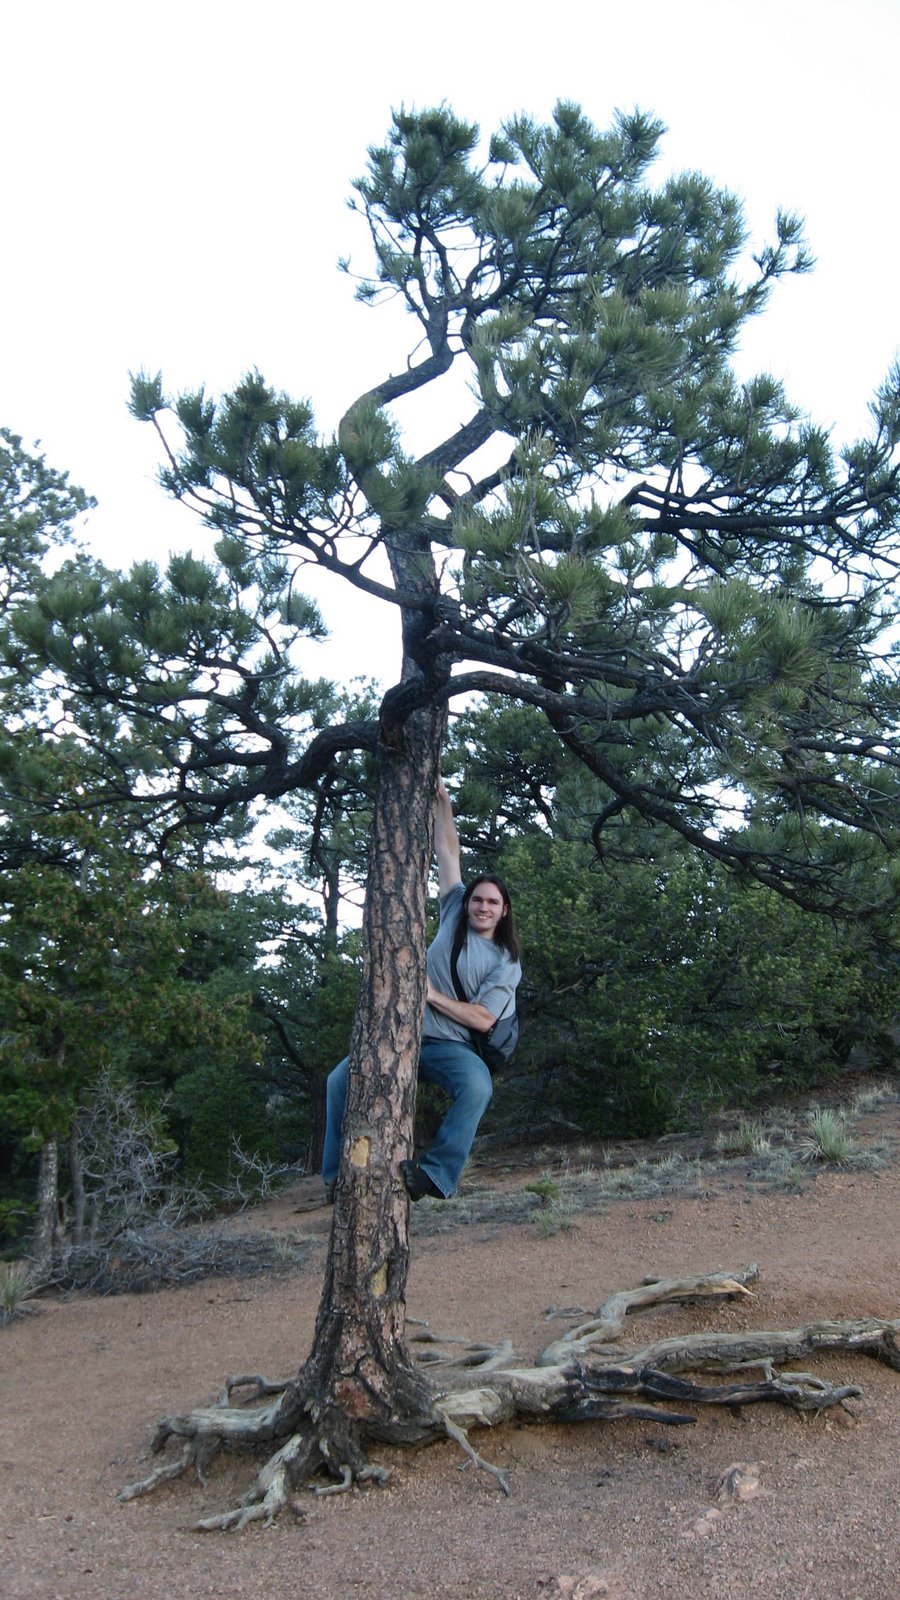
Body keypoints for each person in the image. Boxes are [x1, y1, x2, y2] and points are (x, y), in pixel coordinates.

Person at [322, 779, 521, 1202]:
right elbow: (448, 851)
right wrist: (442, 802)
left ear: (504, 912)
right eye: (478, 900)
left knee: (479, 1086)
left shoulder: (506, 960)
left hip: (450, 1047)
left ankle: (434, 1175)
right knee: (339, 1081)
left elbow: (484, 1019)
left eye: (492, 903)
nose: (483, 907)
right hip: (401, 1033)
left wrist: (429, 994)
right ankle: (335, 1178)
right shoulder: (453, 911)